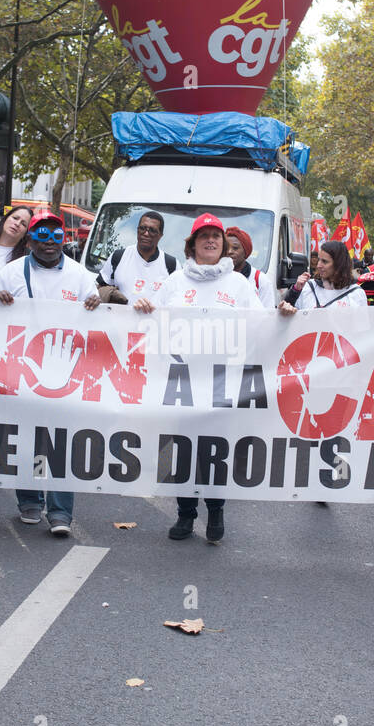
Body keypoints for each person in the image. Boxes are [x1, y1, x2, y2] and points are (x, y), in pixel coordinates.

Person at [134, 213, 266, 543]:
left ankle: (216, 511)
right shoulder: (175, 282)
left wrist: (288, 316)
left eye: (216, 237)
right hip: (182, 382)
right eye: (203, 236)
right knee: (182, 450)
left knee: (214, 450)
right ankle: (185, 514)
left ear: (223, 246)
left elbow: (262, 324)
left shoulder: (238, 284)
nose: (210, 240)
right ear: (192, 245)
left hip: (222, 381)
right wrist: (141, 310)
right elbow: (152, 325)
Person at [0, 212, 101, 535]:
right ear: (31, 240)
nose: (49, 245)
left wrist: (96, 303)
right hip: (22, 370)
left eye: (55, 236)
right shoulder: (11, 273)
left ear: (63, 239)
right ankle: (29, 500)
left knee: (60, 442)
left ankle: (60, 511)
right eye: (42, 236)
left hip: (66, 371)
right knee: (25, 437)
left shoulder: (81, 276)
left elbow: (98, 319)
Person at [96, 210, 178, 304]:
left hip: (155, 319)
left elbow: (176, 299)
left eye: (152, 230)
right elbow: (99, 289)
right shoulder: (118, 257)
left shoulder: (172, 264)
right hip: (119, 317)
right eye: (142, 228)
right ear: (137, 230)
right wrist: (109, 295)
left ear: (160, 235)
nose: (146, 233)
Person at [294, 240, 367, 310]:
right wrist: (293, 292)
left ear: (339, 264)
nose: (318, 265)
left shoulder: (356, 293)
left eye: (324, 261)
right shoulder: (307, 288)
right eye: (319, 260)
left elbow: (362, 322)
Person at [225, 225, 276, 308]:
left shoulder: (260, 280)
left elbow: (268, 316)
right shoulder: (217, 277)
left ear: (245, 252)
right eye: (226, 248)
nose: (229, 251)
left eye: (235, 248)